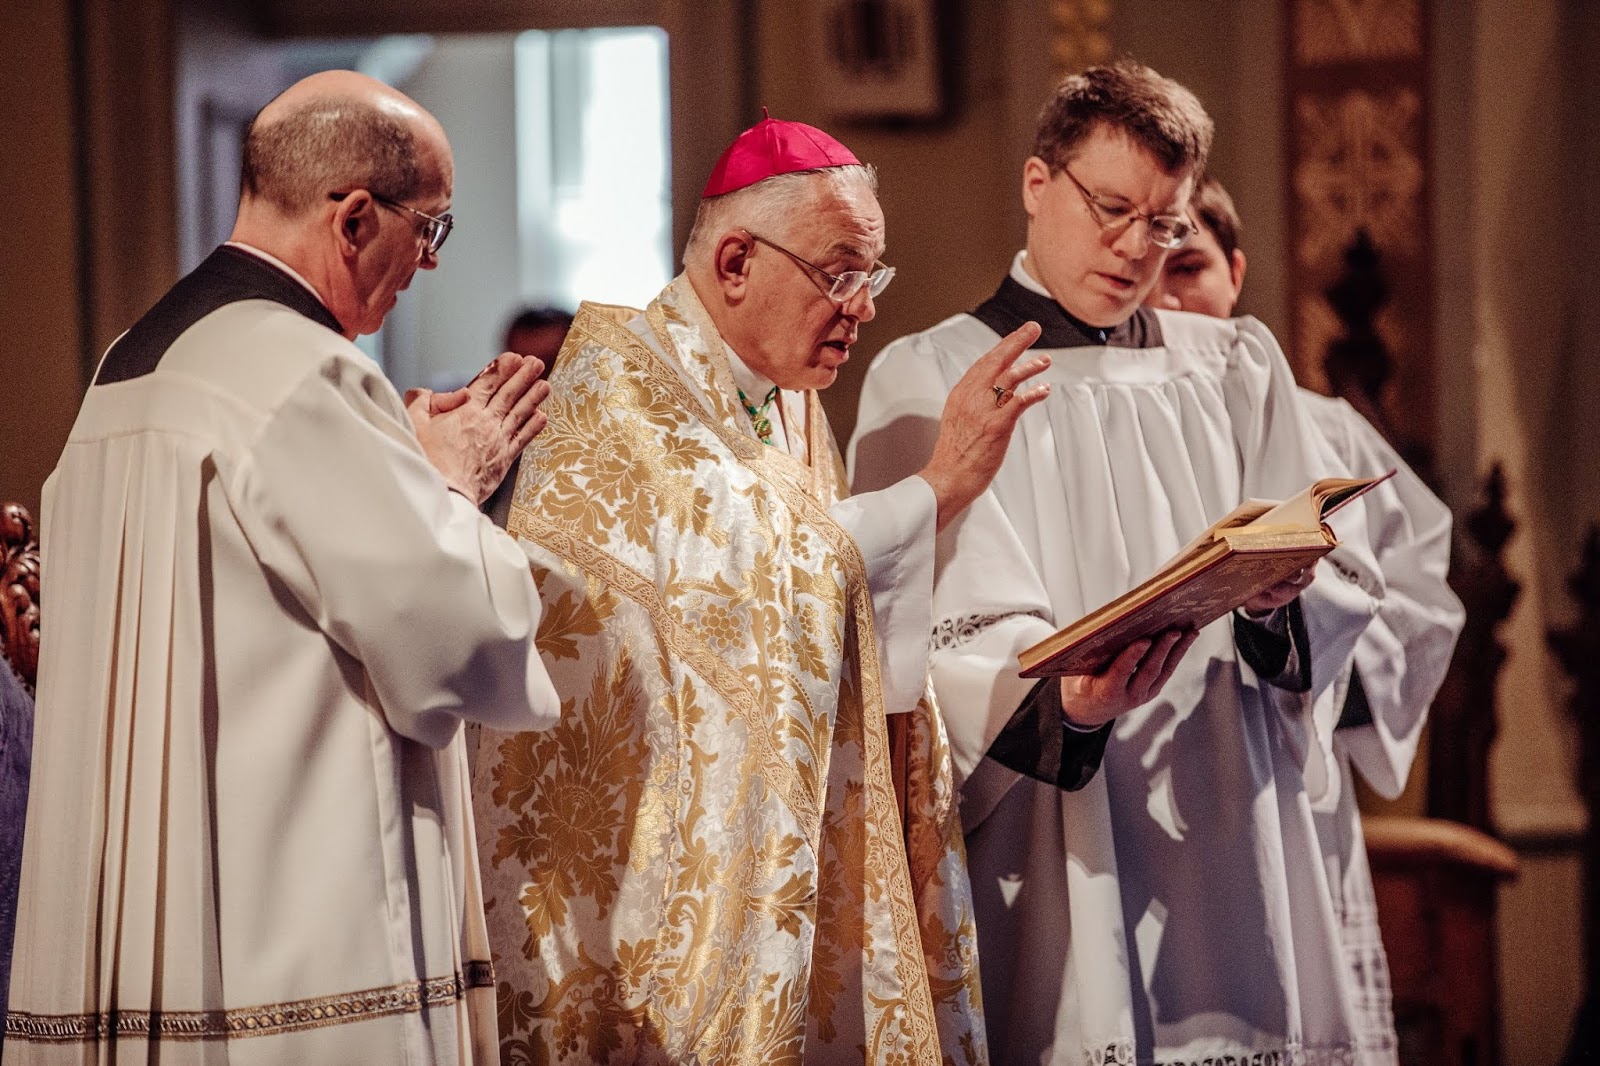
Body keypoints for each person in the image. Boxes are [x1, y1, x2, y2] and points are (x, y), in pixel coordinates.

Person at [471, 113, 1192, 1064]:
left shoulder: (785, 402)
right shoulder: (621, 393)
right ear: (735, 261)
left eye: (872, 275)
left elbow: (814, 602)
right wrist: (938, 487)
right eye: (840, 272)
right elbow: (739, 594)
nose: (862, 305)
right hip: (644, 899)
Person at [850, 59, 1451, 1065]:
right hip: (1064, 823)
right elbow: (918, 626)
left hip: (1237, 812)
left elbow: (1331, 573)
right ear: (1039, 186)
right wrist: (1067, 702)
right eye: (1111, 209)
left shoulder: (1233, 363)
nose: (1135, 249)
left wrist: (1276, 600)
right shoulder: (936, 373)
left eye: (1165, 224)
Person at [6, 71, 561, 1065]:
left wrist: (395, 453)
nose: (427, 264)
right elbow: (461, 642)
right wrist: (455, 482)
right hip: (293, 962)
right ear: (354, 219)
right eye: (430, 229)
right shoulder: (309, 375)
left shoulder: (130, 366)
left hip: (158, 946)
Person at [1145, 174, 1465, 1060]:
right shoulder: (1104, 424)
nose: (1170, 297)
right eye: (1151, 274)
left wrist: (1312, 646)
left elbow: (1422, 597)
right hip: (1146, 785)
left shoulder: (1324, 427)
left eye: (1190, 267)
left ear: (1236, 270)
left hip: (1283, 783)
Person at [484, 306, 575, 526]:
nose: (532, 386)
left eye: (549, 367)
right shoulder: (487, 444)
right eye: (519, 370)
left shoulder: (604, 463)